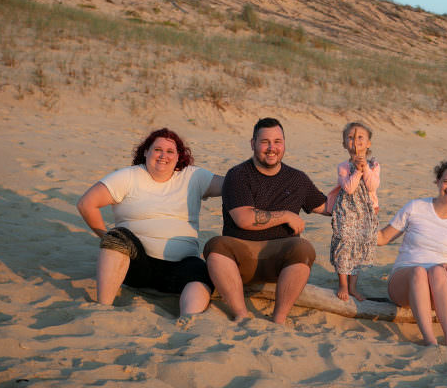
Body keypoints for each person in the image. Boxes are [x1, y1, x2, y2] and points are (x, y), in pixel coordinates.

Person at [76, 128, 223, 317]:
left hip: (180, 267)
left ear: (179, 156)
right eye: (157, 150)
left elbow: (232, 186)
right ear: (146, 151)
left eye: (170, 151)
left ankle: (188, 321)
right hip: (136, 265)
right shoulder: (128, 176)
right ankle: (103, 309)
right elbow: (86, 204)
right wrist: (107, 239)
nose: (163, 156)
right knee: (116, 238)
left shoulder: (194, 177)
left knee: (201, 273)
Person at [203, 117, 328, 324]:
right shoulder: (238, 175)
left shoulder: (297, 179)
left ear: (284, 144)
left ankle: (279, 318)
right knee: (215, 246)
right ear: (253, 144)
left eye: (277, 142)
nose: (272, 148)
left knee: (303, 248)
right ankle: (241, 315)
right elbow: (244, 219)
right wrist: (287, 215)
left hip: (280, 261)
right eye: (265, 142)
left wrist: (358, 187)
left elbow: (327, 207)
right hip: (240, 257)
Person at [377, 160, 447, 348]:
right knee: (419, 271)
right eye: (446, 181)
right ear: (437, 182)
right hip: (404, 282)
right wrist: (360, 225)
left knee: (437, 271)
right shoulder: (416, 207)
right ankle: (430, 341)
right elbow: (382, 238)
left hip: (440, 287)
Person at [329, 121, 381, 301]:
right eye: (350, 138)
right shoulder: (343, 166)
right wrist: (357, 171)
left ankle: (353, 286)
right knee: (344, 243)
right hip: (346, 210)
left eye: (360, 137)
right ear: (344, 144)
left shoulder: (374, 165)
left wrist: (365, 167)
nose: (355, 141)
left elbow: (372, 185)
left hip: (365, 212)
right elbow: (349, 188)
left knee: (358, 247)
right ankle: (343, 283)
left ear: (368, 143)